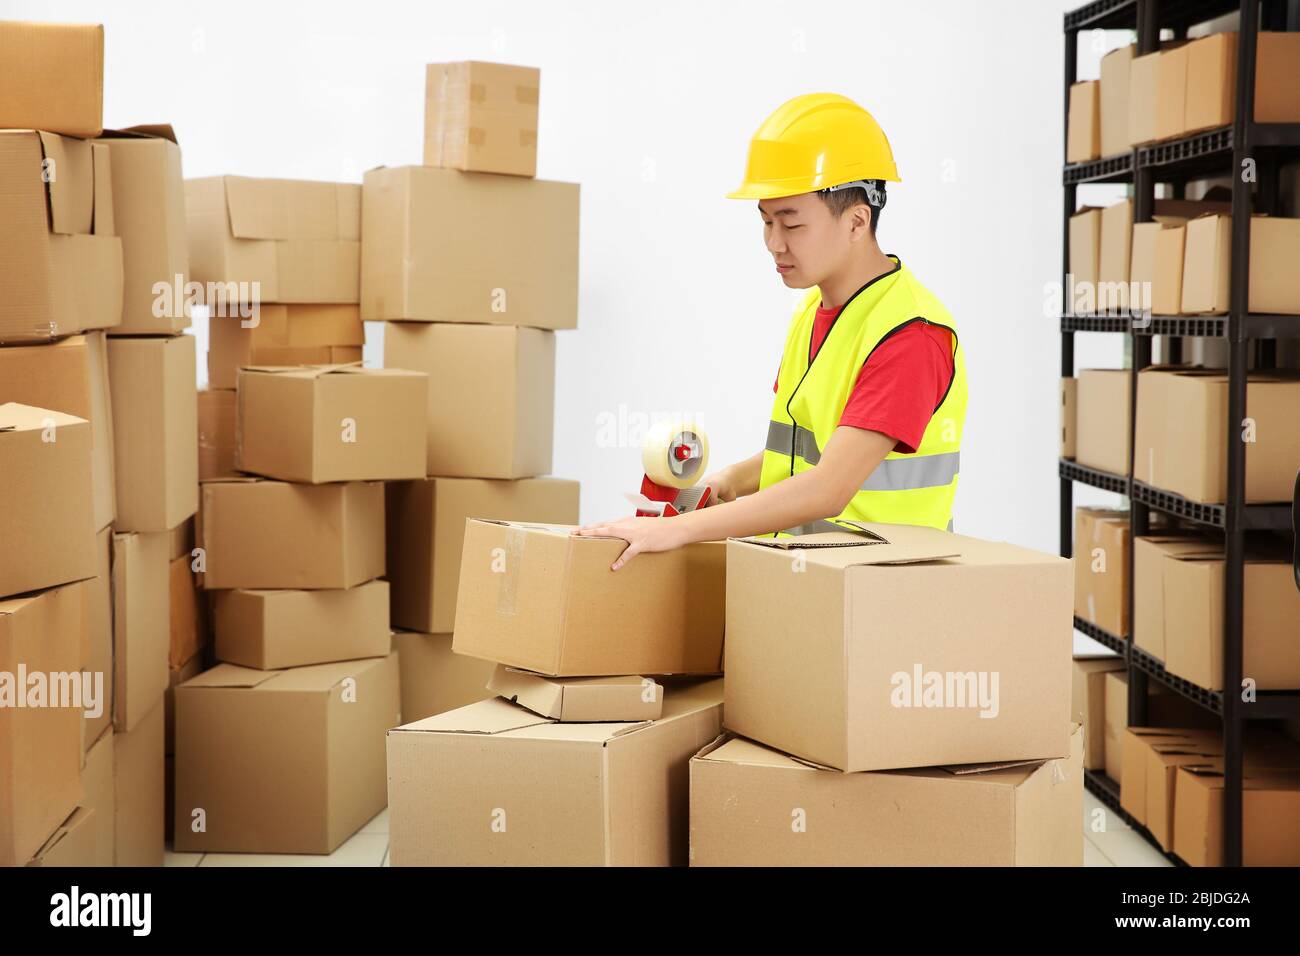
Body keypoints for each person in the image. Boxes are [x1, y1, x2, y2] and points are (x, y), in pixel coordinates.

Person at [578, 93, 967, 570]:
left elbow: (829, 487)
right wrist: (728, 482)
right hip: (813, 573)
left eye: (791, 223)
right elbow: (801, 457)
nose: (773, 243)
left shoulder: (911, 334)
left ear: (857, 220)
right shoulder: (812, 310)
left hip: (885, 588)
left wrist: (676, 531)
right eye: (765, 220)